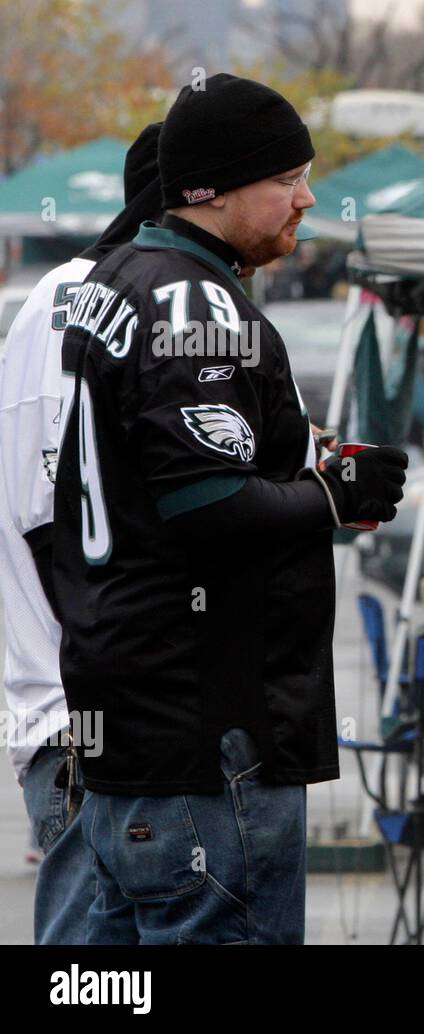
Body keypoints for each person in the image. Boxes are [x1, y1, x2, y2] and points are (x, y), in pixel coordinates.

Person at [52, 74, 407, 945]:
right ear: (213, 187)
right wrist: (330, 496)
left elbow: (168, 464)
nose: (307, 198)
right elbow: (206, 506)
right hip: (206, 739)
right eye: (287, 177)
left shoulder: (121, 274)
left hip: (125, 727)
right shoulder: (191, 297)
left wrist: (300, 456)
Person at [0, 122, 163, 943]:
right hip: (98, 719)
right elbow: (54, 525)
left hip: (57, 713)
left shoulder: (53, 303)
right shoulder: (112, 306)